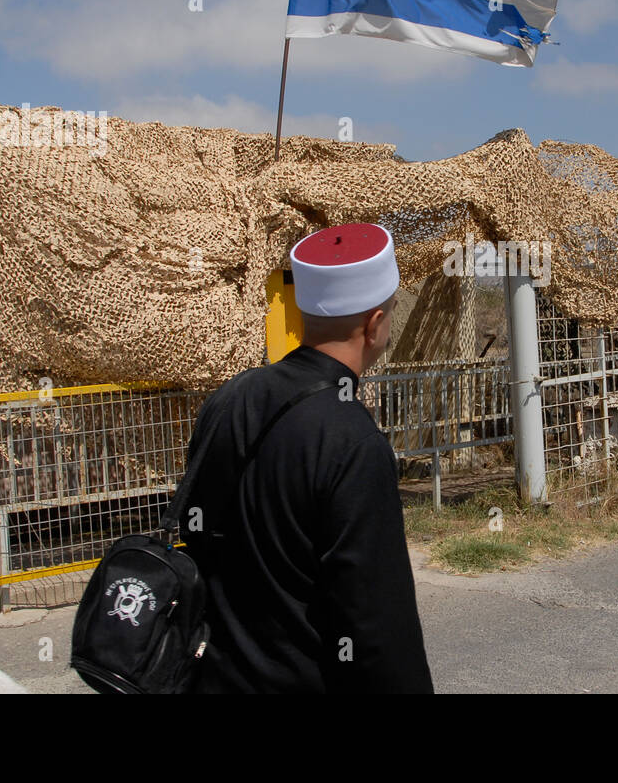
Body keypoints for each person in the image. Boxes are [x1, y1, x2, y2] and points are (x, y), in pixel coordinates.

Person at [183, 222, 433, 693]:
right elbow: (376, 621)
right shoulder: (354, 442)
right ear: (375, 324)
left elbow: (197, 533)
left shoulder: (230, 398)